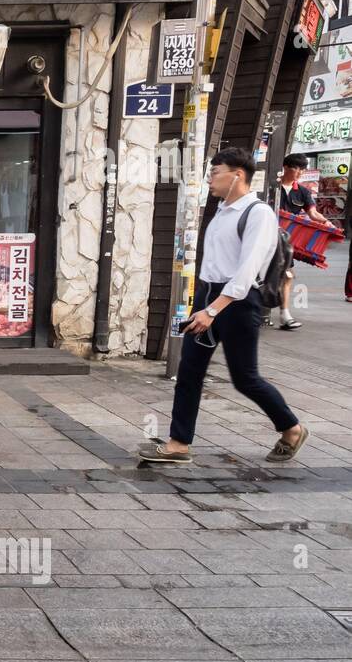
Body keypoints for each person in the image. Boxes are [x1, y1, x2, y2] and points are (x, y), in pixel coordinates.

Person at [139, 148, 307, 466]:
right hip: (208, 295)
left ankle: (292, 428)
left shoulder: (258, 214)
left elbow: (246, 272)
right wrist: (202, 301)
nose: (210, 179)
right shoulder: (220, 210)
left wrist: (212, 310)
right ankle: (178, 443)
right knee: (189, 370)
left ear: (238, 175)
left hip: (239, 303)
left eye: (216, 172)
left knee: (245, 377)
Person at [273, 153, 331, 329]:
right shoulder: (271, 186)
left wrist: (326, 222)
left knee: (287, 274)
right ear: (285, 167)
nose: (299, 172)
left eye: (302, 169)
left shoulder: (304, 192)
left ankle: (285, 314)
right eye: (295, 168)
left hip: (285, 241)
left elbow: (313, 214)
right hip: (264, 236)